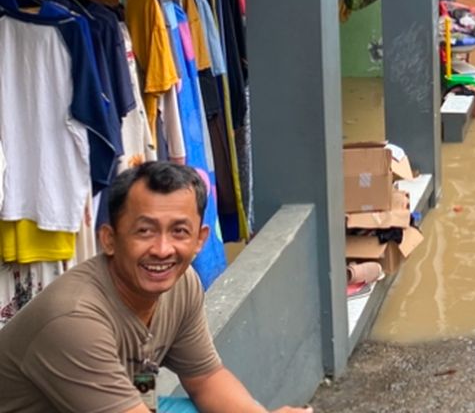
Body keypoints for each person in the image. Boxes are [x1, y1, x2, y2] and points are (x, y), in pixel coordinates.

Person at [0, 162, 311, 413]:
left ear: (200, 240)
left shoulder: (182, 283)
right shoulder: (73, 319)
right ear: (109, 239)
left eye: (179, 231)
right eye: (145, 231)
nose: (163, 249)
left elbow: (206, 379)